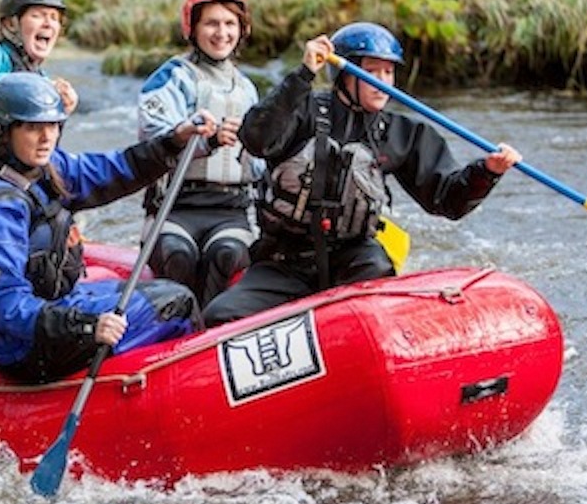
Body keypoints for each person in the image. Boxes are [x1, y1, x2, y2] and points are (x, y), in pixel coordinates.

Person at [202, 22, 522, 326]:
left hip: (355, 259)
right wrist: (301, 75)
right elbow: (257, 138)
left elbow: (446, 201)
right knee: (221, 315)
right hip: (284, 261)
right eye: (371, 72)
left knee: (379, 278)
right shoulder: (302, 110)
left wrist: (487, 171)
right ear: (344, 74)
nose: (382, 81)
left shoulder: (401, 133)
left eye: (388, 71)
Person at [0, 72, 215, 383]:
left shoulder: (44, 168)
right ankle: (188, 387)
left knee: (162, 290)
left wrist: (173, 142)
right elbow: (6, 308)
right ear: (3, 131)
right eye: (33, 127)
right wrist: (85, 324)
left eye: (52, 125)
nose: (47, 137)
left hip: (57, 306)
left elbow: (113, 170)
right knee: (176, 303)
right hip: (25, 346)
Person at [138, 0, 261, 305]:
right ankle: (174, 327)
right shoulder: (171, 77)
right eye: (211, 23)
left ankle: (208, 332)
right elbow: (155, 138)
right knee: (178, 255)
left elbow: (262, 160)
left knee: (227, 253)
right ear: (192, 28)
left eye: (229, 24)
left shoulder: (247, 89)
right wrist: (207, 139)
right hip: (175, 206)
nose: (221, 33)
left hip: (230, 209)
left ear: (241, 29)